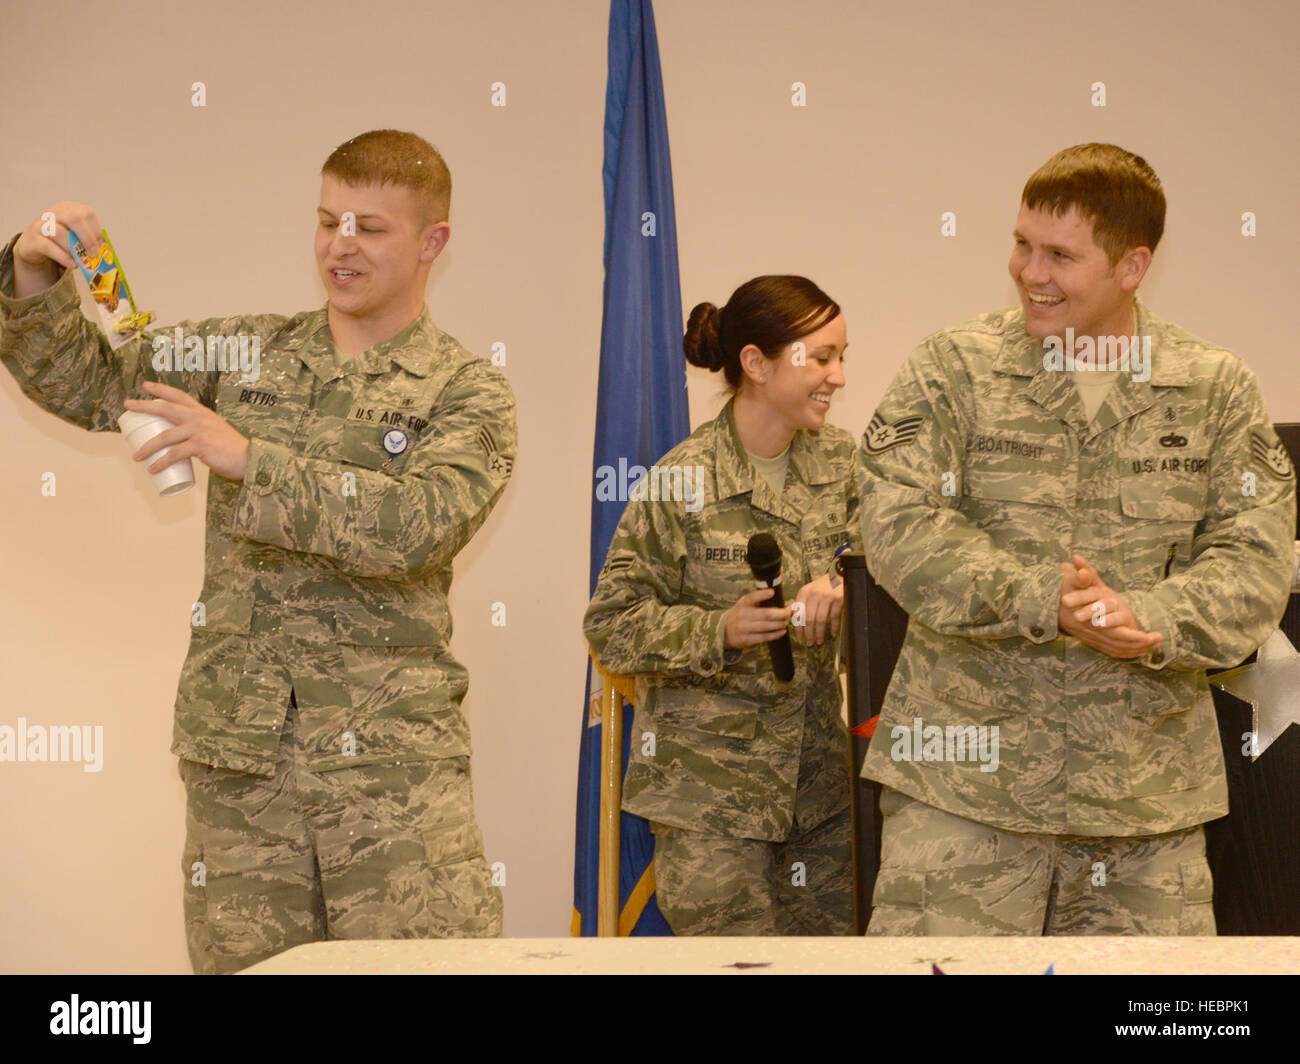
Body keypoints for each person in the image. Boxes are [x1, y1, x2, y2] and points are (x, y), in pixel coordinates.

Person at [0, 129, 516, 971]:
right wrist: (35, 269)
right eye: (327, 220)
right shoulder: (242, 353)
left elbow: (420, 524)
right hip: (242, 770)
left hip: (393, 779)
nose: (340, 245)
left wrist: (250, 459)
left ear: (433, 242)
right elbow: (91, 385)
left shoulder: (469, 388)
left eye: (370, 227)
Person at [856, 143, 1296, 936]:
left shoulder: (1213, 386)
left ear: (1132, 267)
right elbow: (896, 521)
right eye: (1022, 244)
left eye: (1060, 255)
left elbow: (1256, 557)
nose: (1030, 272)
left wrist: (1153, 618)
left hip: (1145, 811)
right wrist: (1037, 598)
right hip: (963, 801)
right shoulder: (952, 369)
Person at [584, 275, 856, 935]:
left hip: (821, 796)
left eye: (843, 355)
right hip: (710, 802)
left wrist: (849, 593)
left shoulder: (847, 467)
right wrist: (718, 631)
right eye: (819, 357)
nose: (838, 376)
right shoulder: (681, 481)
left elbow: (899, 575)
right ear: (757, 364)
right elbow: (611, 626)